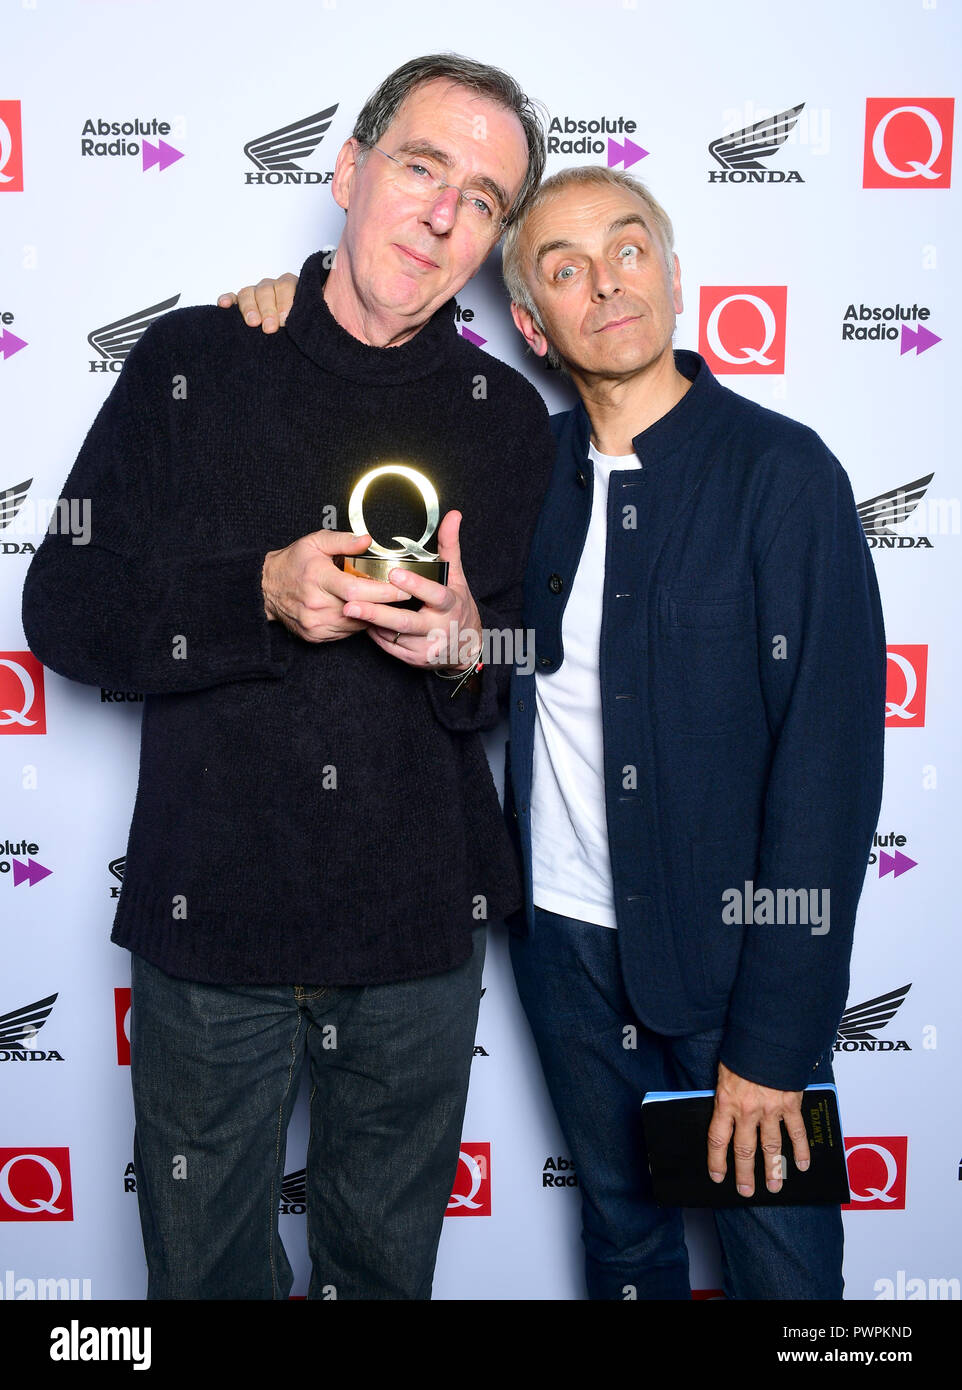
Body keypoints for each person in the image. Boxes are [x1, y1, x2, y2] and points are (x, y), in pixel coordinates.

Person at [239, 163, 886, 1301]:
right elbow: (487, 627)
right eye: (564, 269)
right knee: (622, 1242)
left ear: (674, 276)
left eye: (629, 250)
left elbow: (827, 778)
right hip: (562, 947)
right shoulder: (522, 468)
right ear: (532, 326)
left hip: (732, 955)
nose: (606, 285)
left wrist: (773, 1044)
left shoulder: (782, 476)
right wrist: (279, 312)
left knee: (782, 1270)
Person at [21, 54, 554, 1301]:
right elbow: (64, 606)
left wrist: (470, 647)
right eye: (423, 167)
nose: (440, 213)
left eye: (481, 198)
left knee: (383, 1275)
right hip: (212, 925)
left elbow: (528, 668)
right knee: (205, 1279)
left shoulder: (504, 418)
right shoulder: (194, 359)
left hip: (419, 936)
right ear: (347, 170)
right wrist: (252, 594)